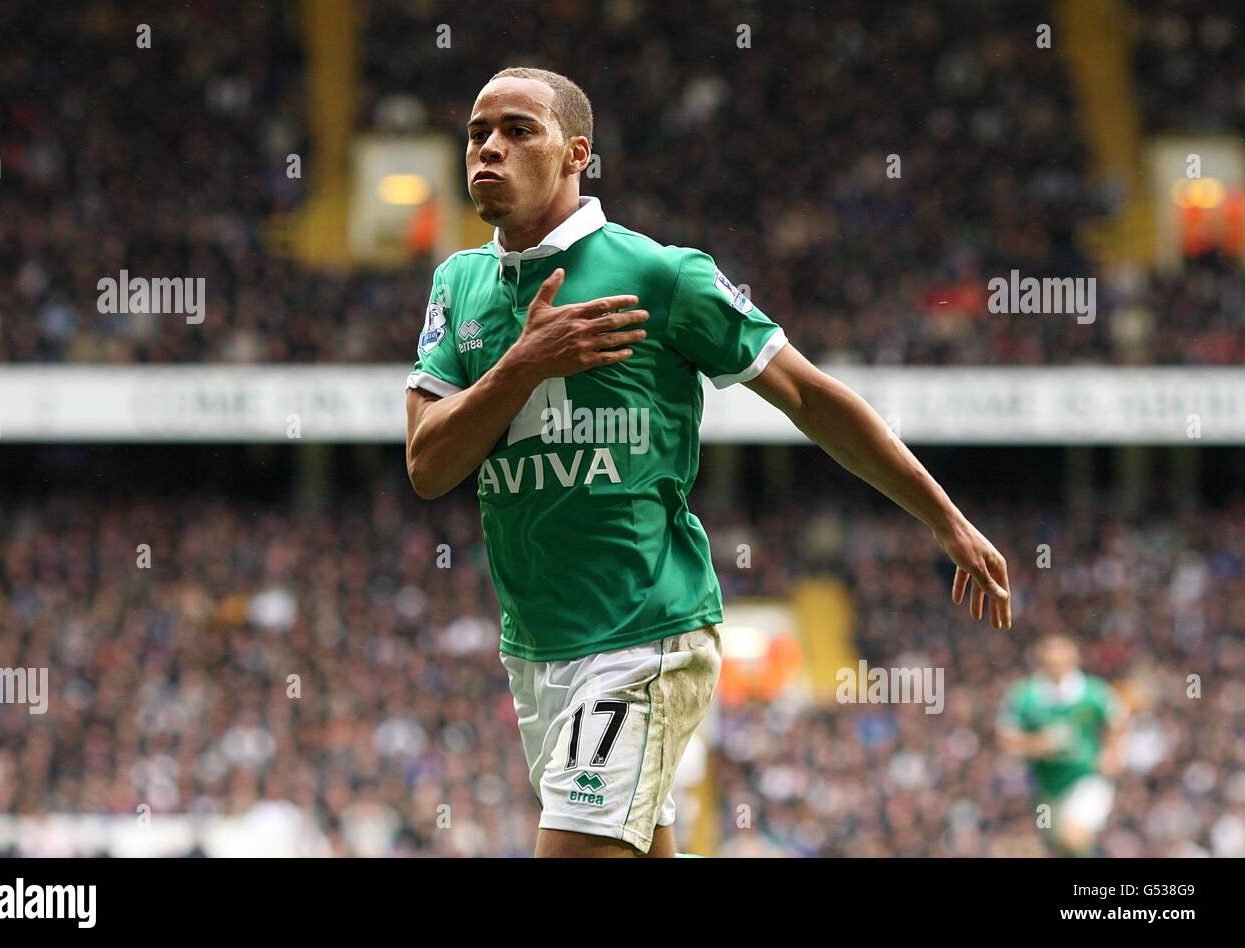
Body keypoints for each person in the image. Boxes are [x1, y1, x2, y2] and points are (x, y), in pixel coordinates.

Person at [405, 67, 1012, 857]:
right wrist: (523, 365)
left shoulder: (662, 275)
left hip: (646, 633)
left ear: (575, 154)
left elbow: (811, 396)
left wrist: (946, 518)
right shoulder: (458, 283)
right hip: (536, 643)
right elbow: (427, 464)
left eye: (519, 131)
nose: (489, 147)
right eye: (478, 132)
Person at [998, 634, 1127, 856]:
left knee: (1073, 837)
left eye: (1060, 661)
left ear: (1073, 660)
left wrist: (1112, 752)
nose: (1055, 666)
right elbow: (1006, 738)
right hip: (1046, 785)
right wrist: (1036, 745)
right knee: (1062, 846)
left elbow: (1119, 719)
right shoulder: (1024, 696)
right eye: (1049, 662)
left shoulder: (1092, 692)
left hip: (1086, 777)